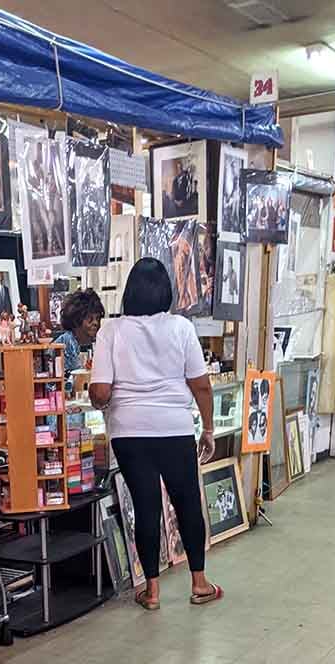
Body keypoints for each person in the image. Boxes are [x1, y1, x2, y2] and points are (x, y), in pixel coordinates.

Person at [89, 257, 222, 610]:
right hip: (175, 429)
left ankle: (152, 591)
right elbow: (202, 386)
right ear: (166, 291)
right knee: (187, 503)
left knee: (146, 507)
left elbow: (100, 392)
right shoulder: (181, 327)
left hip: (129, 433)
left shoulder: (111, 331)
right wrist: (208, 429)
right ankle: (199, 583)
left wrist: (101, 401)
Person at [53, 289, 105, 374]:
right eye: (90, 319)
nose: (95, 323)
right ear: (76, 320)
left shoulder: (100, 342)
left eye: (98, 318)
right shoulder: (63, 344)